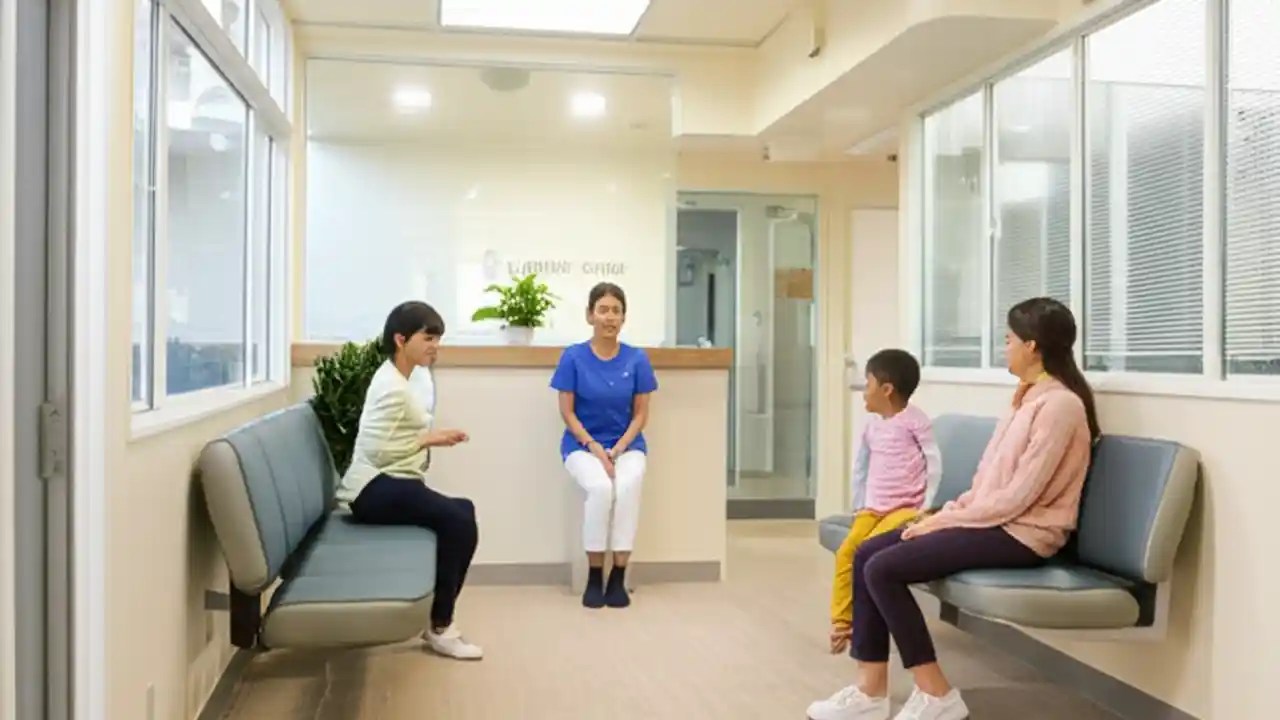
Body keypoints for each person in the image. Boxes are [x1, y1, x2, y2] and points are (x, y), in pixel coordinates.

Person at [807, 297, 1099, 720]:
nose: (1005, 348)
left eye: (1009, 340)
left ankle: (938, 695)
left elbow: (1019, 498)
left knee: (883, 569)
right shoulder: (1025, 399)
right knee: (867, 552)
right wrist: (944, 514)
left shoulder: (1060, 406)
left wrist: (946, 519)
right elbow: (988, 482)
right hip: (993, 522)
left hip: (1024, 535)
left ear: (1032, 347)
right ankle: (870, 691)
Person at [336, 301, 483, 661]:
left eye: (438, 339)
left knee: (463, 511)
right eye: (428, 338)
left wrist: (431, 438)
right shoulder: (394, 388)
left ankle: (435, 619)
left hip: (381, 483)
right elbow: (377, 448)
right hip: (370, 490)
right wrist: (428, 439)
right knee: (460, 522)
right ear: (401, 339)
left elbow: (386, 439)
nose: (435, 346)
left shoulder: (394, 376)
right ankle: (440, 626)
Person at [550, 282, 658, 609]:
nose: (610, 317)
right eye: (603, 310)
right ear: (590, 315)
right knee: (600, 488)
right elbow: (566, 412)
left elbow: (641, 415)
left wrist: (618, 449)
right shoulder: (573, 357)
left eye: (616, 311)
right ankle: (595, 575)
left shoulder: (637, 359)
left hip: (627, 445)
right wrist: (596, 448)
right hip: (581, 446)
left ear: (623, 318)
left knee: (627, 485)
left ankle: (618, 577)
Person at [829, 349, 940, 655]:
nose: (864, 391)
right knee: (847, 552)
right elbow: (860, 467)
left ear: (886, 389)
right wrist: (857, 505)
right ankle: (841, 621)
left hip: (905, 509)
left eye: (868, 384)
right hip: (872, 507)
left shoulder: (915, 422)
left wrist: (925, 507)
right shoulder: (872, 426)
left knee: (869, 553)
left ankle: (871, 623)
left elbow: (934, 463)